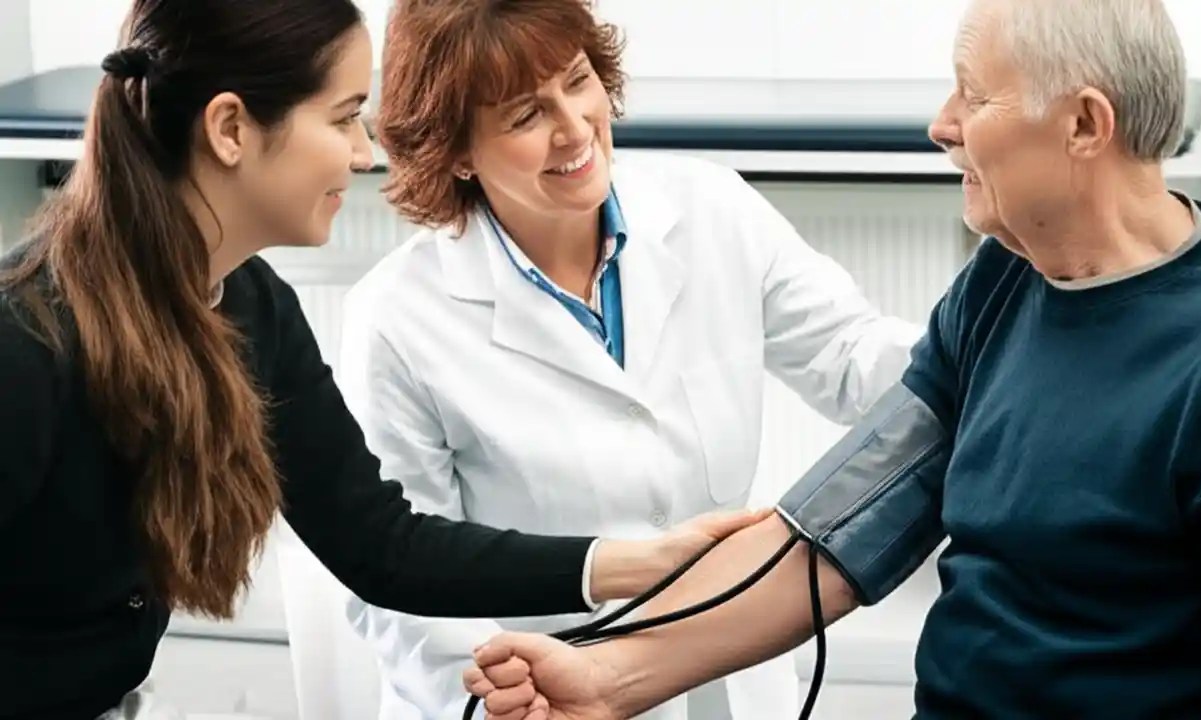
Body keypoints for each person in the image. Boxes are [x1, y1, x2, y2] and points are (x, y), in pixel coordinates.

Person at [464, 0, 1201, 718]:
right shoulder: (1001, 284)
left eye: (975, 92)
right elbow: (834, 534)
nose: (942, 124)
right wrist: (606, 677)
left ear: (1084, 125)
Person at [0, 2, 769, 718]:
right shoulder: (24, 349)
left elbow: (382, 547)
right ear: (230, 128)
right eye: (343, 120)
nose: (366, 155)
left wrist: (639, 562)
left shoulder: (249, 306)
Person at [337, 1, 922, 719]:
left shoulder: (710, 210)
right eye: (526, 116)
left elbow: (857, 360)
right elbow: (401, 582)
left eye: (577, 81)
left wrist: (994, 342)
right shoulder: (398, 320)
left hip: (724, 683)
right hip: (537, 697)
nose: (575, 127)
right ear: (455, 151)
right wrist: (504, 696)